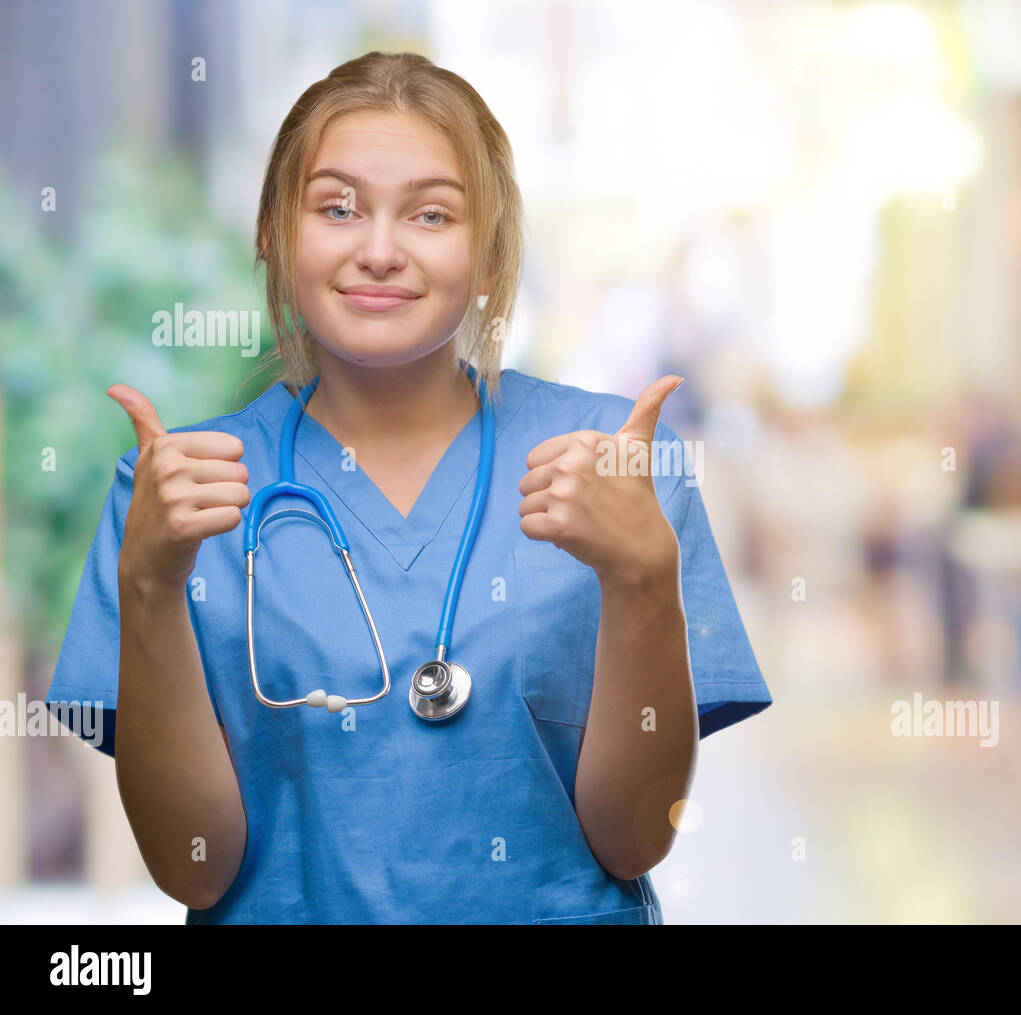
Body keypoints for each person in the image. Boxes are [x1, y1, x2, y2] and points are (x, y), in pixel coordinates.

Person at [43, 51, 771, 924]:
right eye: (337, 206)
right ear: (276, 233)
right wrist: (152, 586)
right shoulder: (179, 492)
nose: (379, 251)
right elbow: (193, 868)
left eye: (431, 214)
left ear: (492, 256)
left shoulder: (615, 463)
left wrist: (645, 578)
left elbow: (635, 839)